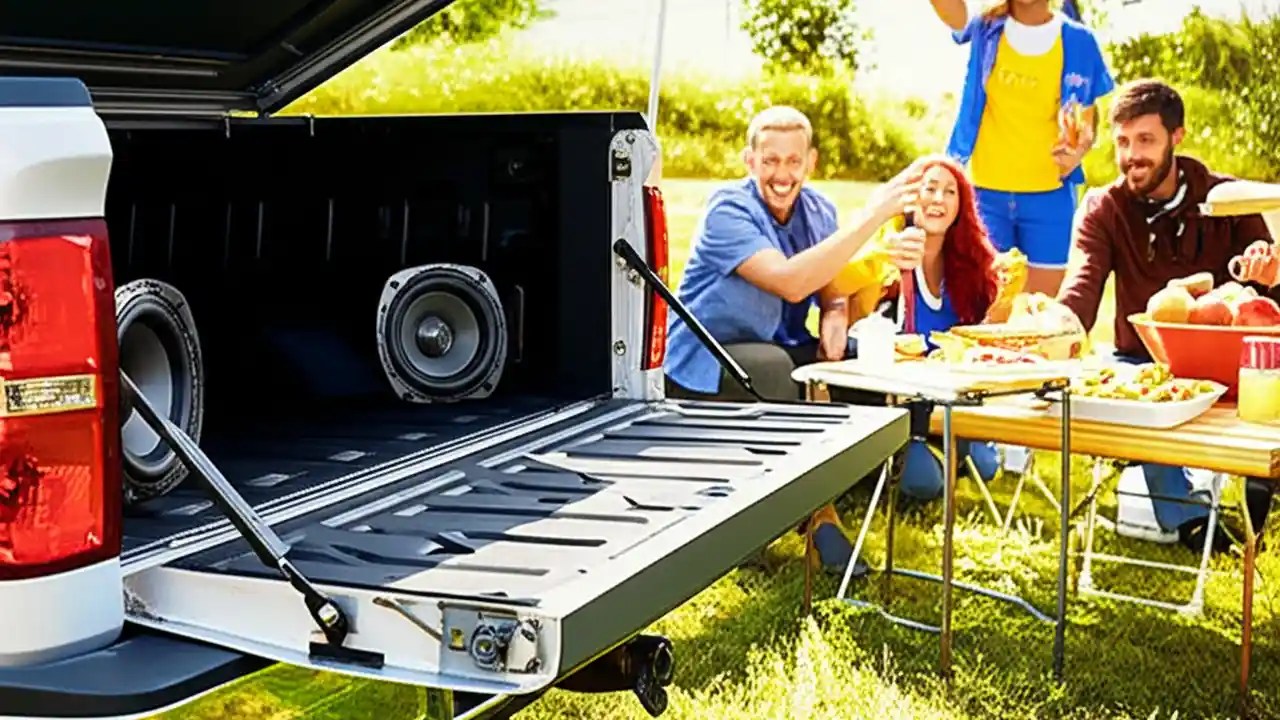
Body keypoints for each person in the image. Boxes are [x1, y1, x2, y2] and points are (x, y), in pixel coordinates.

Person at [663, 105, 924, 573]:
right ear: (749, 161)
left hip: (781, 345)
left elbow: (827, 282)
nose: (781, 174)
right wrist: (873, 217)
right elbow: (789, 281)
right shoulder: (728, 209)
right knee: (775, 371)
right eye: (770, 160)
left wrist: (836, 311)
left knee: (860, 361)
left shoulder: (818, 208)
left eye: (792, 161)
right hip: (707, 358)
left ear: (811, 163)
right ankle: (802, 519)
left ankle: (864, 483)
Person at [1057, 79, 1276, 553]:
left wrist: (1269, 273)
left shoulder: (1228, 199)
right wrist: (1051, 327)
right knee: (1138, 397)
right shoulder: (1104, 207)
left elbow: (1266, 297)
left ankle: (1259, 489)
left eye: (1146, 140)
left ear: (1177, 137)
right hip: (1143, 365)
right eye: (1122, 141)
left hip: (1226, 365)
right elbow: (1081, 289)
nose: (1132, 155)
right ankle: (1197, 522)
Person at [929, 0, 1115, 473]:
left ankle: (1023, 434)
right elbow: (951, 15)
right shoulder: (988, 27)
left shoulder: (1078, 41)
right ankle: (978, 426)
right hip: (987, 189)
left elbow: (1088, 122)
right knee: (989, 311)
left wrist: (1080, 148)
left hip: (1048, 197)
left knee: (1038, 319)